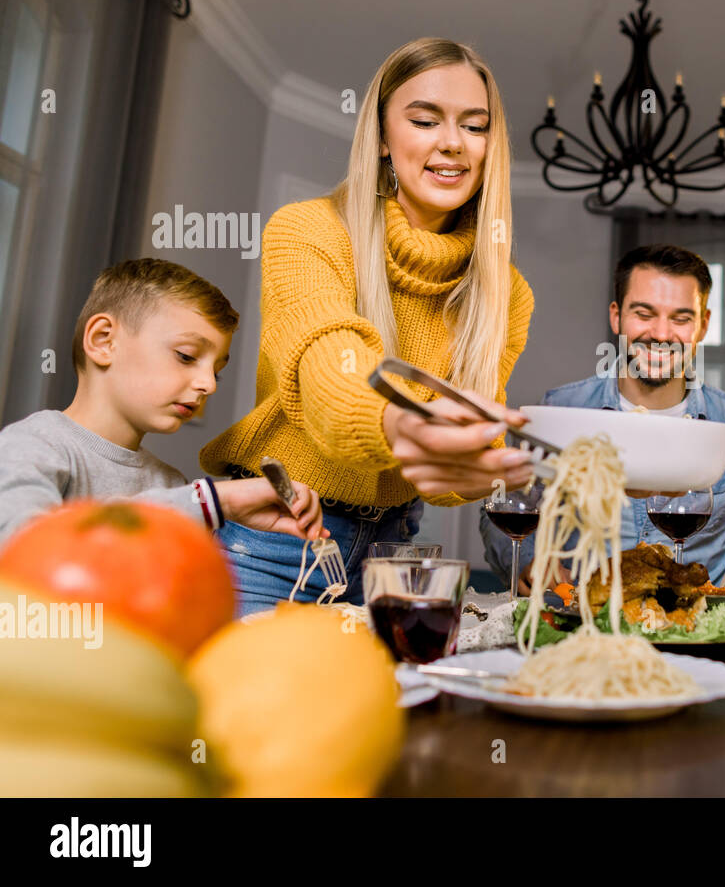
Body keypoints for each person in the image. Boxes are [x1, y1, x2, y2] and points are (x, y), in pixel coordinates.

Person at [200, 38, 535, 616]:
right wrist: (404, 426)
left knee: (395, 706)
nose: (452, 142)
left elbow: (447, 481)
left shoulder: (507, 292)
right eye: (425, 120)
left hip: (396, 548)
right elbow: (329, 366)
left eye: (474, 126)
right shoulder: (309, 231)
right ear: (382, 137)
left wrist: (493, 468)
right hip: (277, 537)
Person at [481, 244, 725, 590]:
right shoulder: (558, 410)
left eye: (681, 318)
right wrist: (531, 563)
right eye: (644, 313)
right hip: (579, 624)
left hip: (698, 631)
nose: (660, 334)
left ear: (703, 326)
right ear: (616, 316)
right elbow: (502, 503)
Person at [0, 259, 324, 544]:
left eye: (217, 372)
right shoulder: (32, 445)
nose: (209, 384)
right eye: (186, 356)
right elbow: (26, 549)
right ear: (103, 341)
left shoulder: (171, 484)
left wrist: (233, 527)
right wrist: (211, 503)